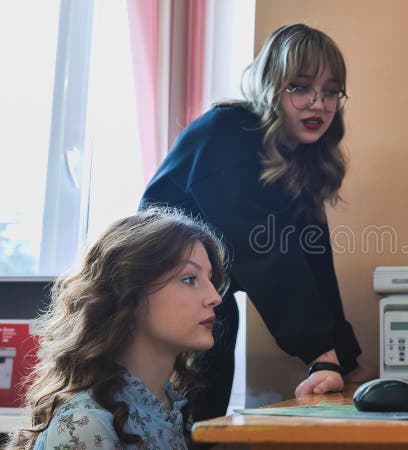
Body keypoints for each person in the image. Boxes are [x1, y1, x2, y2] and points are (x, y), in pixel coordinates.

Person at [139, 23, 365, 422]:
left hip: (207, 299)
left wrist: (344, 362)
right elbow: (264, 253)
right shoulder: (229, 133)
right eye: (300, 86)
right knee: (174, 427)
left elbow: (315, 261)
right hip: (151, 302)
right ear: (271, 87)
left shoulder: (300, 163)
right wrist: (320, 353)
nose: (319, 103)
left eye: (331, 91)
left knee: (202, 419)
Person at [8, 208, 229, 449]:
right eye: (190, 279)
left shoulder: (168, 409)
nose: (215, 296)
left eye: (210, 279)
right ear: (128, 293)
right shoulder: (87, 425)